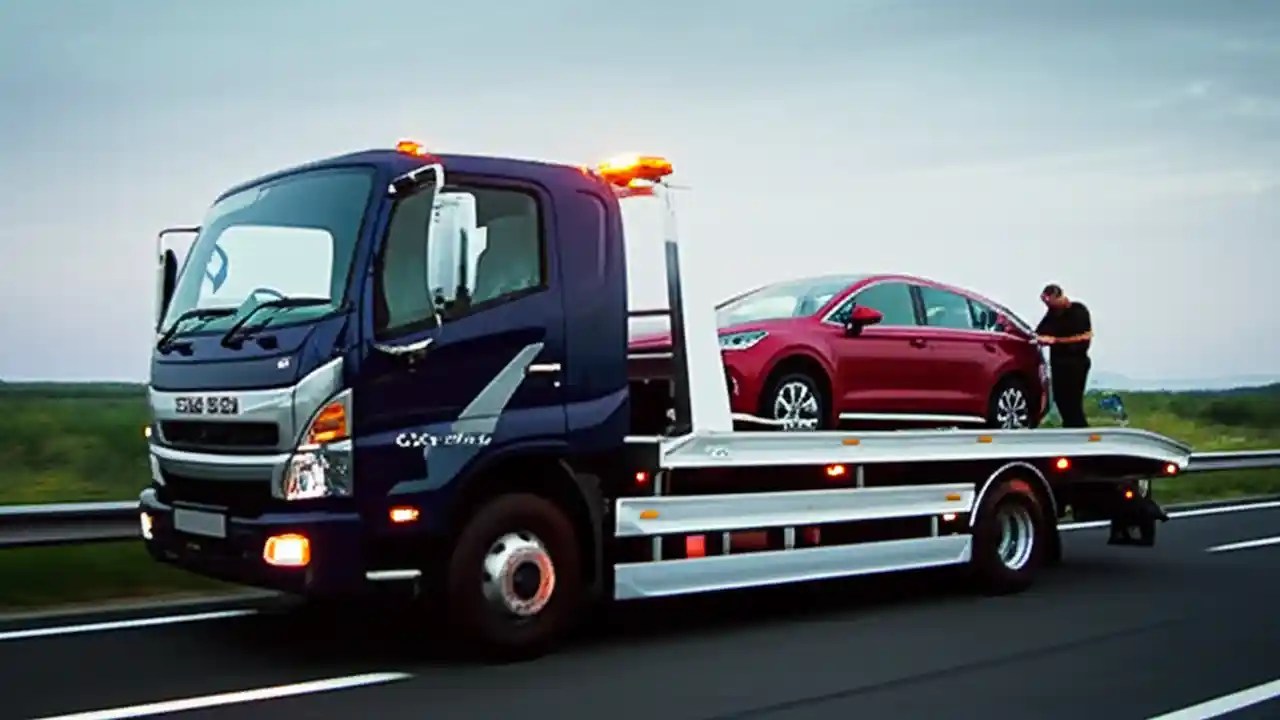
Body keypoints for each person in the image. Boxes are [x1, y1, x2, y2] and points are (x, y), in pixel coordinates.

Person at [1035, 284, 1093, 428]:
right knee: (1060, 400)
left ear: (1058, 297)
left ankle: (1080, 430)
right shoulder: (1052, 314)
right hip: (1058, 364)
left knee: (1073, 401)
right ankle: (1069, 429)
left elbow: (1085, 336)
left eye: (1050, 302)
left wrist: (1056, 341)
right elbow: (1040, 332)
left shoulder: (1078, 311)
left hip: (1076, 363)